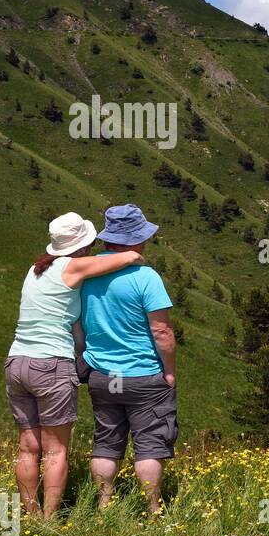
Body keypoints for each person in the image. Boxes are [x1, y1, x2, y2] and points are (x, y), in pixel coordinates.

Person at [5, 213, 145, 517]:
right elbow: (129, 257)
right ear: (83, 245)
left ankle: (29, 515)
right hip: (51, 364)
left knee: (28, 448)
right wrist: (134, 252)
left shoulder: (35, 270)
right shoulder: (73, 266)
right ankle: (50, 520)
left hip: (17, 361)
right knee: (55, 451)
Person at [76, 204, 177, 515]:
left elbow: (75, 321)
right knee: (150, 443)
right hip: (142, 373)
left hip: (103, 374)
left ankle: (104, 505)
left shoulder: (84, 271)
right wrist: (169, 371)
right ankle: (152, 507)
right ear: (134, 240)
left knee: (106, 441)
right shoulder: (145, 276)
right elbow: (161, 330)